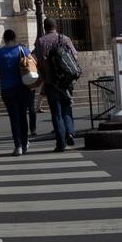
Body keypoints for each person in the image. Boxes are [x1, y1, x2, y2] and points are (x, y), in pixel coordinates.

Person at [34, 17, 79, 153]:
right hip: (66, 82)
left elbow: (37, 61)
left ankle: (61, 143)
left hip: (50, 82)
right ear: (55, 26)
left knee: (56, 113)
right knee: (67, 109)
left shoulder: (41, 42)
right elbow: (75, 57)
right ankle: (70, 133)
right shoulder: (64, 38)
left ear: (44, 27)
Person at [0, 28, 31, 156]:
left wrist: (4, 81)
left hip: (7, 89)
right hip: (23, 87)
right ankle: (25, 143)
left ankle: (18, 146)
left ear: (4, 39)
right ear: (14, 38)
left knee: (14, 118)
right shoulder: (22, 50)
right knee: (22, 117)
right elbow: (32, 64)